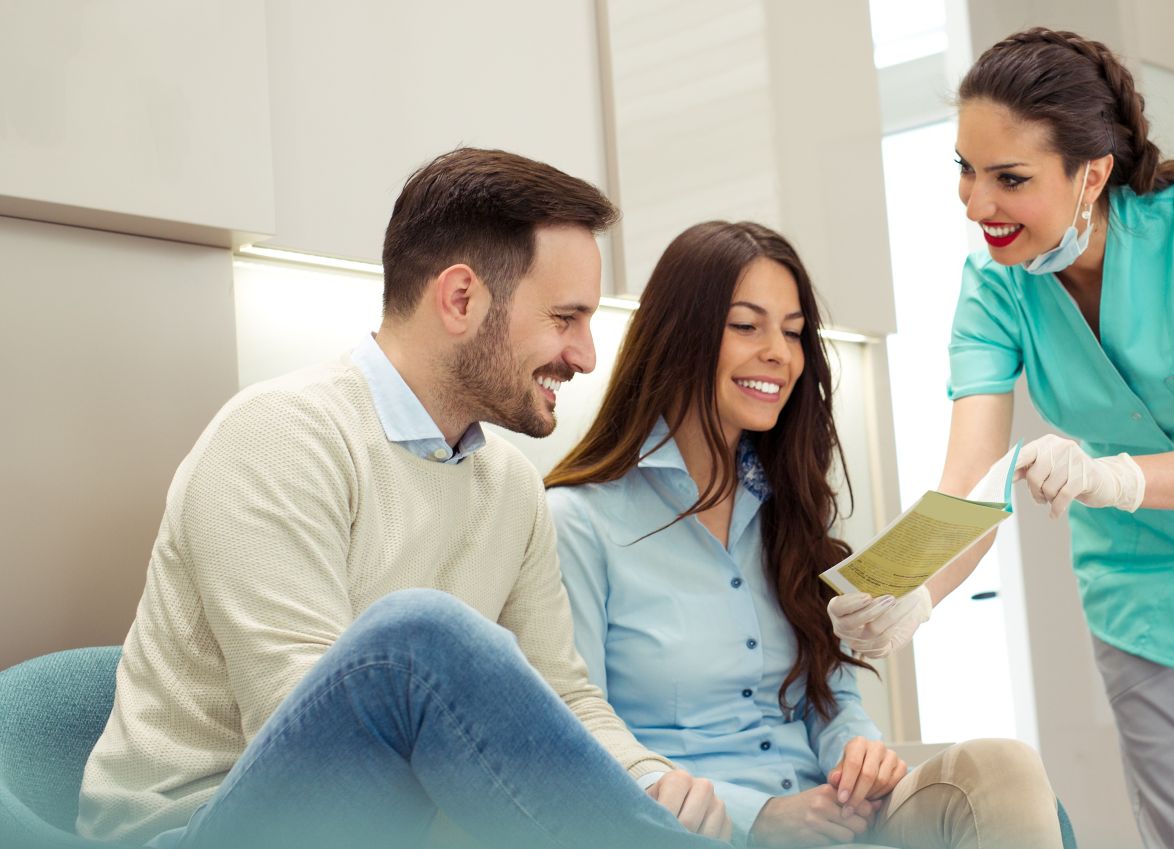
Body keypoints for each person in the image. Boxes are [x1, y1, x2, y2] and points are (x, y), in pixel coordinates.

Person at [76, 148, 731, 849]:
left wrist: (648, 780)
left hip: (383, 825)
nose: (585, 355)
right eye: (565, 318)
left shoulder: (511, 486)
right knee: (415, 638)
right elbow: (313, 740)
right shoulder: (277, 436)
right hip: (203, 828)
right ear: (460, 299)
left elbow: (564, 696)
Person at [828, 29, 1174, 849]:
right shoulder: (992, 288)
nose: (977, 205)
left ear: (1091, 173)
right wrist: (915, 592)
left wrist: (1112, 477)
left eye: (1009, 178)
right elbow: (966, 483)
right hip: (1140, 586)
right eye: (964, 171)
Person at [544, 220, 1065, 849]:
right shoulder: (578, 521)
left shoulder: (791, 510)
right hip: (694, 833)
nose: (780, 354)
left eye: (793, 333)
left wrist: (858, 753)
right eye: (747, 326)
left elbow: (832, 699)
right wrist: (759, 816)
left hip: (840, 822)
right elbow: (577, 736)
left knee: (1002, 769)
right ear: (680, 333)